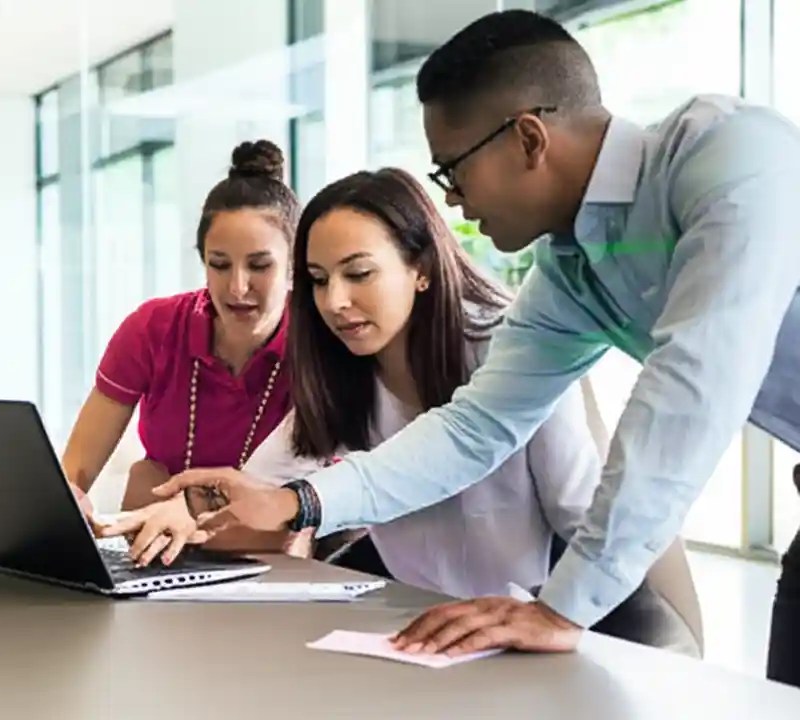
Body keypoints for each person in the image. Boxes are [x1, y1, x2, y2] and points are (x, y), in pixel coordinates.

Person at [148, 9, 800, 682]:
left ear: (527, 138)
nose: (453, 201)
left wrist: (564, 606)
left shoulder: (731, 156)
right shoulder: (569, 273)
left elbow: (693, 384)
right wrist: (298, 503)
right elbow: (473, 428)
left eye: (453, 170)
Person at [60, 139, 304, 567]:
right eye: (220, 264)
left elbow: (295, 514)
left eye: (260, 265)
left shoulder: (319, 350)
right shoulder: (153, 328)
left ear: (294, 265)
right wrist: (67, 505)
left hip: (270, 563)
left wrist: (179, 502)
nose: (237, 287)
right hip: (159, 554)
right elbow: (75, 472)